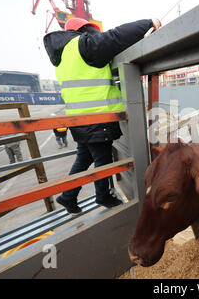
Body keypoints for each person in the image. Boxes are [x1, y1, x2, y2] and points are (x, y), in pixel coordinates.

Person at [43, 17, 162, 214]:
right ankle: (103, 196)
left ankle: (68, 196)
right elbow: (116, 37)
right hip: (96, 118)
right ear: (85, 30)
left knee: (83, 158)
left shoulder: (62, 55)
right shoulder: (83, 45)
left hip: (78, 118)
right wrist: (150, 23)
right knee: (102, 160)